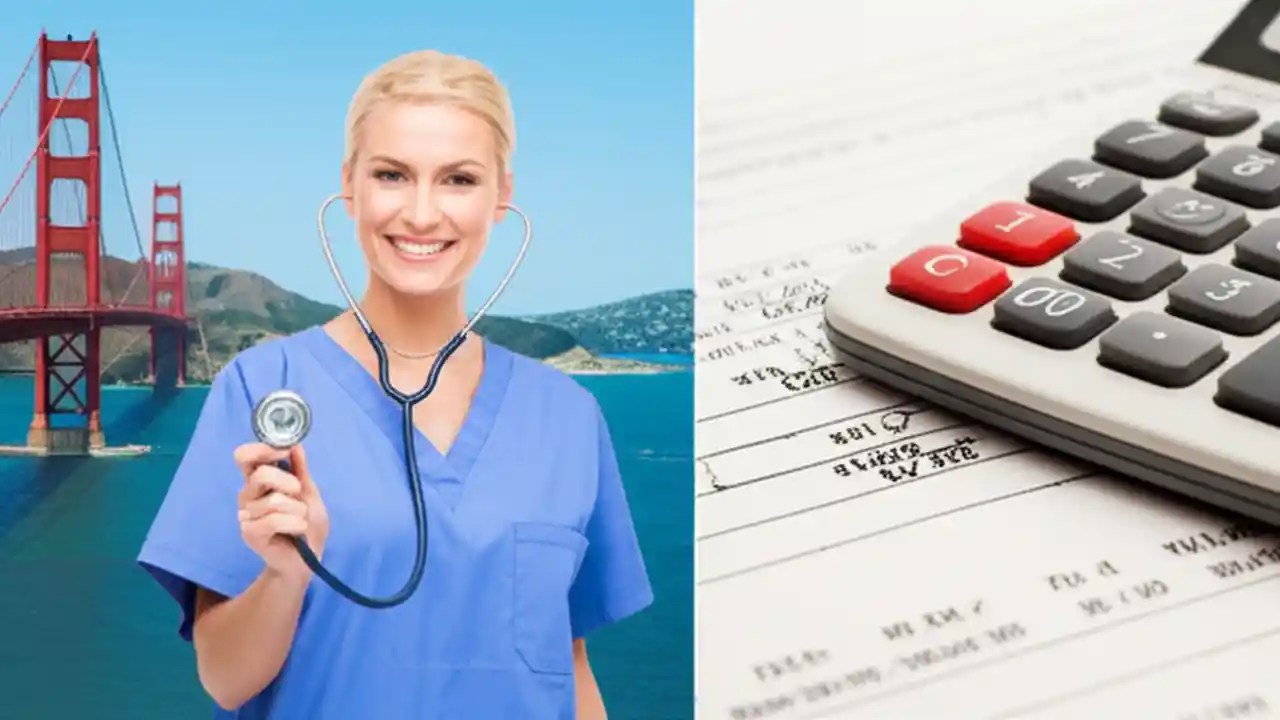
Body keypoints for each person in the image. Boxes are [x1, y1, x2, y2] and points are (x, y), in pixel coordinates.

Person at [135, 48, 653, 719]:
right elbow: (225, 680)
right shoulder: (262, 387)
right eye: (392, 175)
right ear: (349, 185)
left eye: (459, 180)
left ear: (503, 198)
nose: (421, 213)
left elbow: (570, 668)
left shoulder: (568, 417)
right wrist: (288, 571)